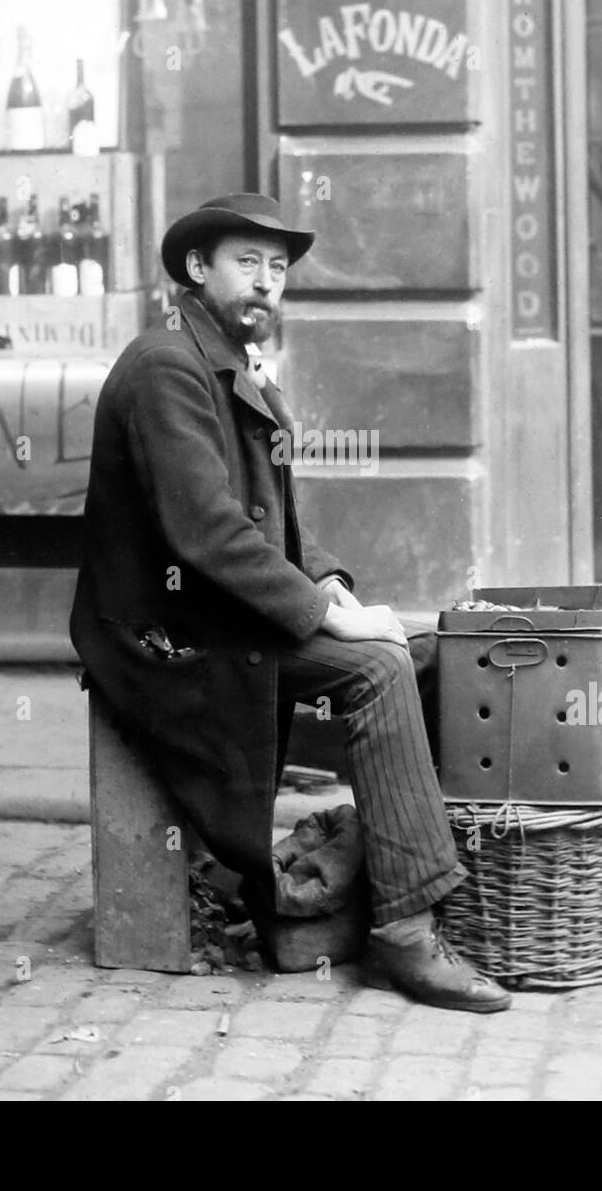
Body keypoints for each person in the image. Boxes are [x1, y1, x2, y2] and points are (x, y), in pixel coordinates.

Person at [70, 193, 510, 1014]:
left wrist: (332, 582)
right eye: (248, 263)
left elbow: (272, 525)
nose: (267, 284)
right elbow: (206, 532)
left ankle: (355, 881)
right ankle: (407, 932)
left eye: (278, 269)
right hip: (166, 641)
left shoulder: (234, 370)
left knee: (425, 656)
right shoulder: (168, 367)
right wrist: (329, 617)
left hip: (216, 615)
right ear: (198, 270)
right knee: (378, 667)